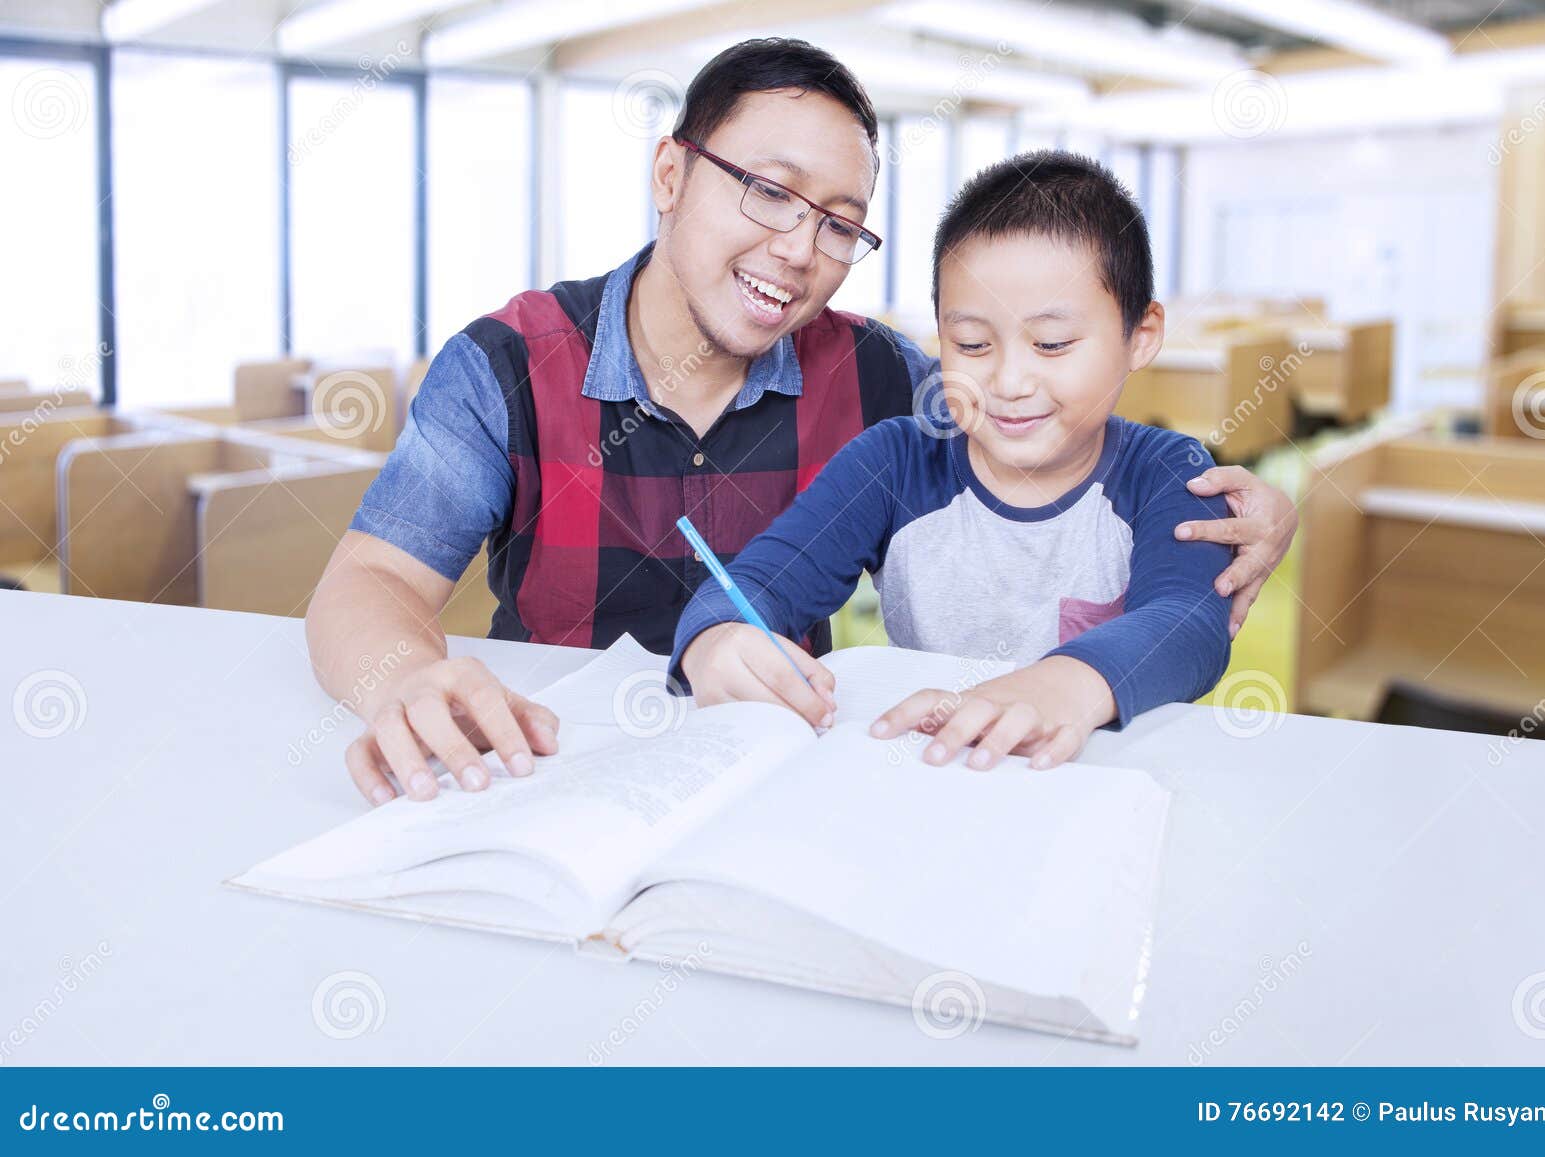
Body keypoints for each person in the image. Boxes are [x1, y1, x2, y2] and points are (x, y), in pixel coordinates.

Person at [305, 39, 1298, 805]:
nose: (797, 249)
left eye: (837, 221)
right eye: (770, 192)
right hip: (545, 765)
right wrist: (404, 682)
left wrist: (1255, 501)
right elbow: (373, 582)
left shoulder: (880, 377)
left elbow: (1032, 423)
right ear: (670, 175)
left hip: (790, 771)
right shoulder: (507, 362)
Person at [673, 151, 1232, 768]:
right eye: (971, 344)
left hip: (1098, 784)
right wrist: (715, 636)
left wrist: (1060, 684)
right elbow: (757, 582)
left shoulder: (1168, 472)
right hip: (938, 778)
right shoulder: (895, 463)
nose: (1010, 380)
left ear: (1141, 336)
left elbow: (1190, 624)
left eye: (1052, 344)